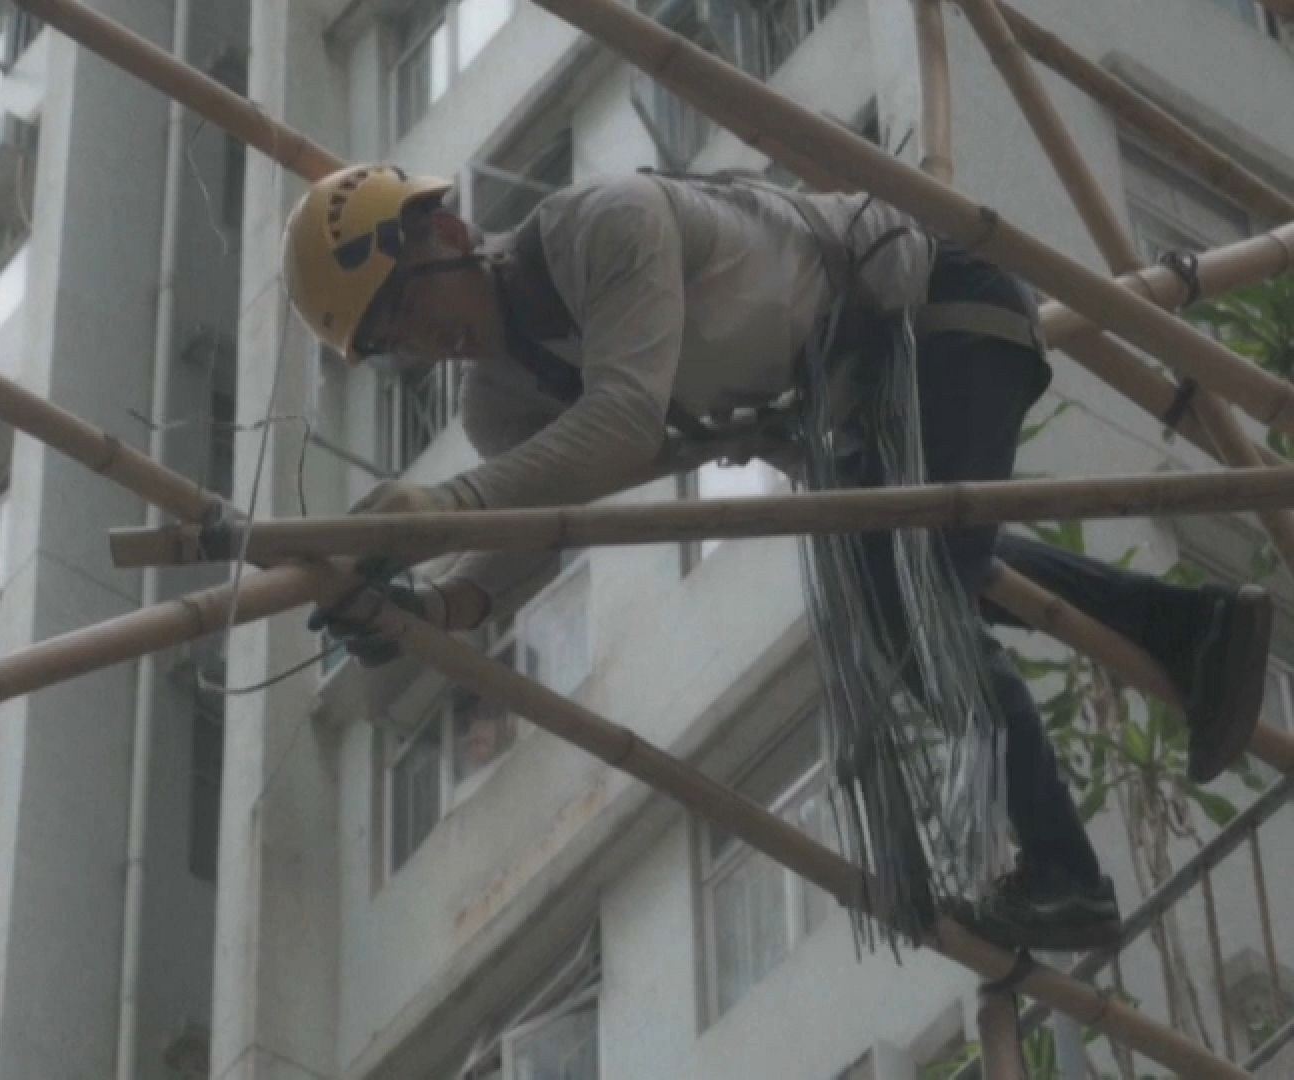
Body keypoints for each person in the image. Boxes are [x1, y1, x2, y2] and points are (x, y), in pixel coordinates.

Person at [281, 163, 1273, 950]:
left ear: (448, 233)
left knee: (909, 588)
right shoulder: (502, 402)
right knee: (926, 568)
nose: (423, 339)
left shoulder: (603, 226)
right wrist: (439, 609)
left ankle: (1065, 874)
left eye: (406, 303)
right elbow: (539, 522)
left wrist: (440, 506)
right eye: (392, 343)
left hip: (938, 314)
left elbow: (623, 421)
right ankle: (1191, 630)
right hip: (855, 400)